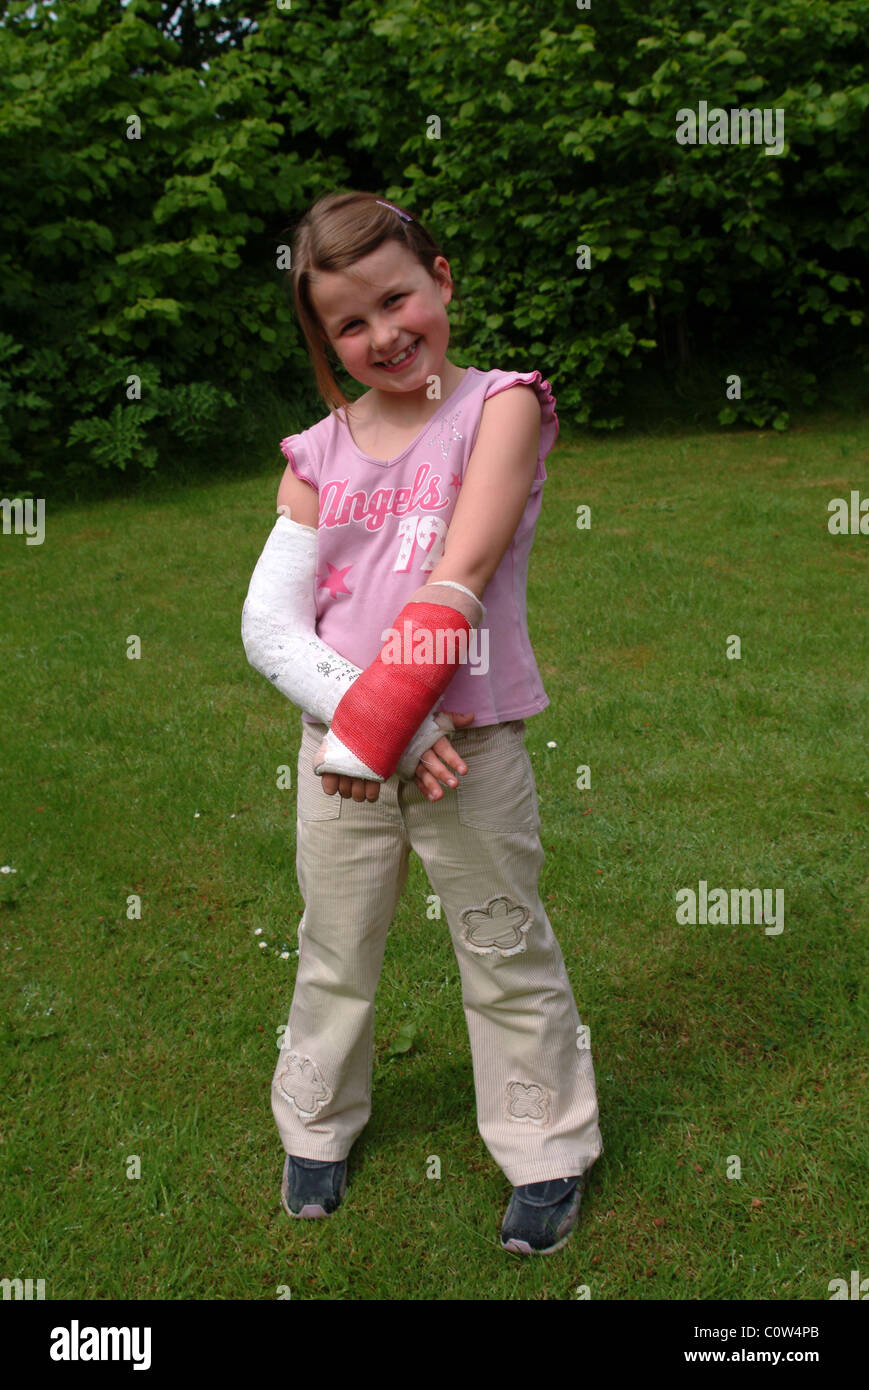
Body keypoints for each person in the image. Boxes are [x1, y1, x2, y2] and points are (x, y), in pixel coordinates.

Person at [241, 190, 603, 1255]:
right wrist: (375, 731)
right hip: (341, 749)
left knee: (501, 943)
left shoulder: (499, 406)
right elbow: (269, 625)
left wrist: (388, 722)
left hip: (470, 742)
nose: (385, 335)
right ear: (325, 339)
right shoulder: (314, 452)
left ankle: (545, 1147)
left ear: (439, 278)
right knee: (333, 947)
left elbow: (461, 573)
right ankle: (313, 1123)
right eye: (349, 325)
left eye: (397, 299)